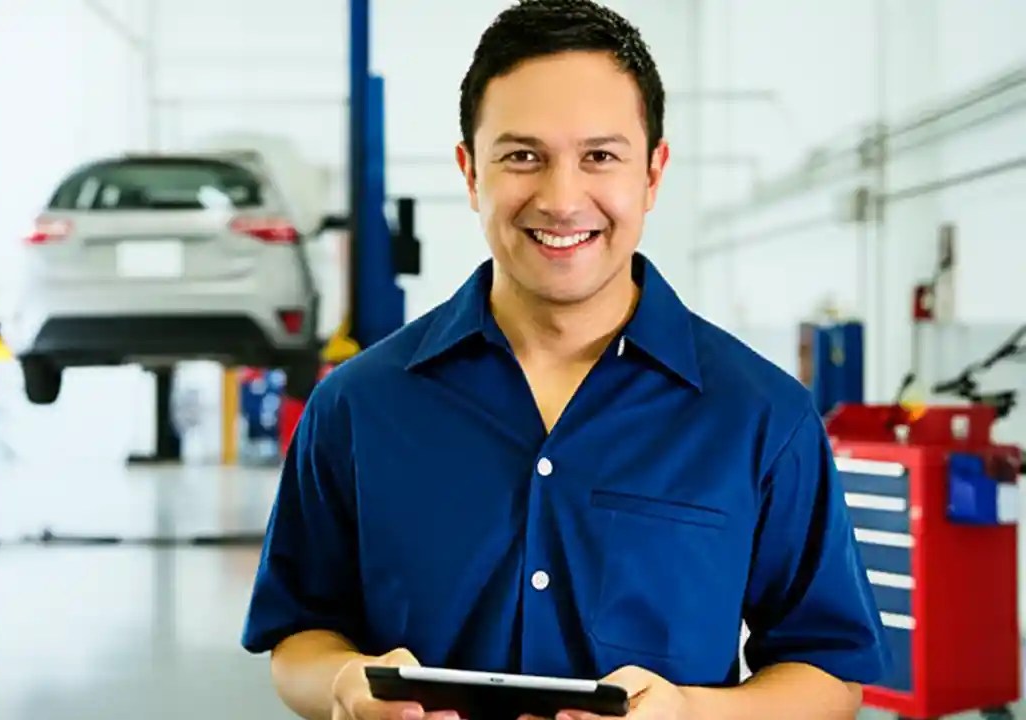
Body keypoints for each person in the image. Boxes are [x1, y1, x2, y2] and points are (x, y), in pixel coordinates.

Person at [241, 1, 890, 718]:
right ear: (470, 172)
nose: (560, 198)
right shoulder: (357, 407)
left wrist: (690, 713)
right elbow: (298, 636)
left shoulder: (762, 416)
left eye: (600, 157)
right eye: (522, 156)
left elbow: (830, 672)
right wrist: (343, 683)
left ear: (653, 173)